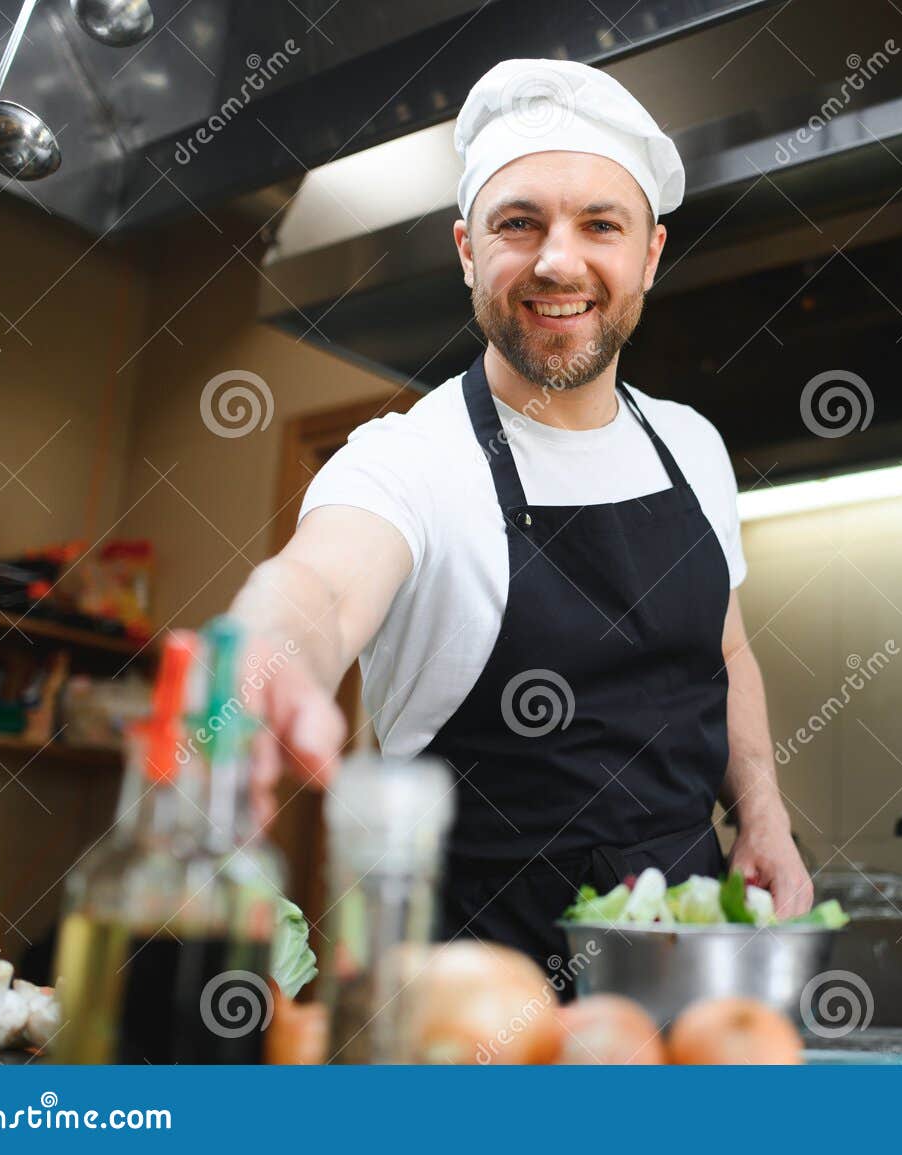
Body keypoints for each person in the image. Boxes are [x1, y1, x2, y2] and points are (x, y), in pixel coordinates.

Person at [229, 57, 812, 975]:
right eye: (519, 222)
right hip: (473, 998)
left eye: (600, 225)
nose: (557, 259)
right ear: (467, 250)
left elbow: (726, 649)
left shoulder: (693, 444)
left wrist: (764, 812)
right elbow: (317, 588)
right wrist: (270, 662)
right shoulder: (406, 461)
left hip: (684, 967)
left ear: (649, 255)